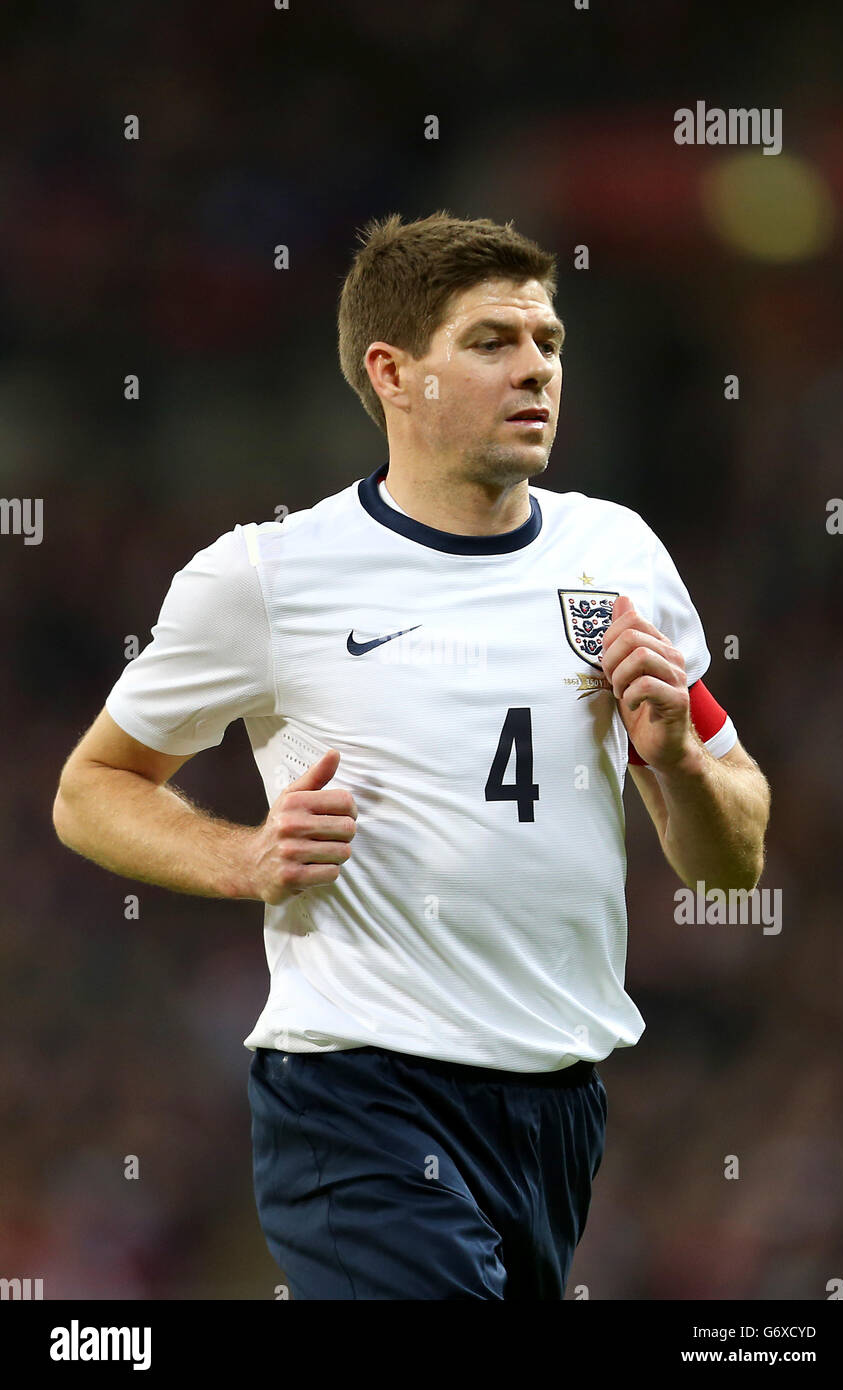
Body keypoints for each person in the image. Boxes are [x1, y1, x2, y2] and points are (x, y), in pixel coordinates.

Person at [52, 210, 771, 1300]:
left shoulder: (615, 554)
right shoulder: (268, 577)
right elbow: (89, 789)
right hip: (359, 1090)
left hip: (555, 1103)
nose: (535, 369)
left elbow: (730, 861)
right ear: (393, 373)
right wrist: (244, 859)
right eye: (492, 342)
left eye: (548, 342)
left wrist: (671, 757)